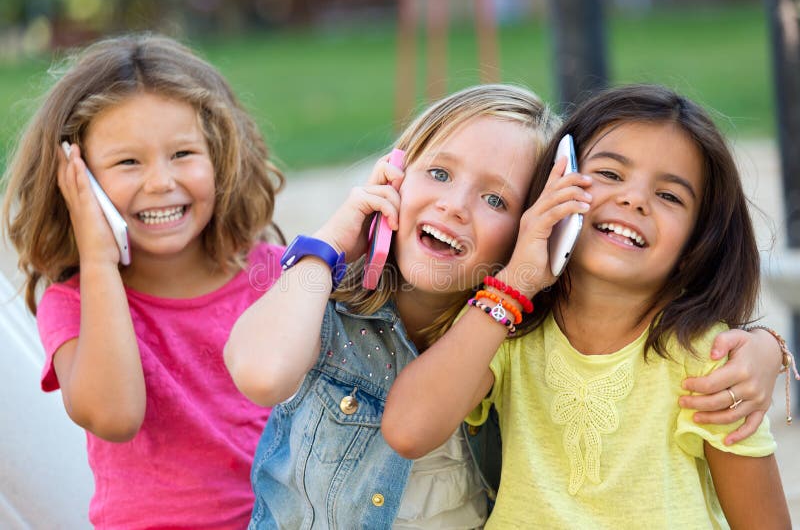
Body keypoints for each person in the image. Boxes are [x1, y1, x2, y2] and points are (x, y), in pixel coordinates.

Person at [224, 83, 784, 529]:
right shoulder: (342, 306)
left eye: (496, 199)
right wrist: (331, 240)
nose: (456, 205)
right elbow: (267, 373)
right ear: (395, 172)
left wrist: (764, 347)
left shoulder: (513, 326)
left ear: (538, 224)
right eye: (438, 173)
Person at [1, 34, 285, 529]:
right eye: (128, 162)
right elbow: (115, 416)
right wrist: (97, 259)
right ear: (77, 180)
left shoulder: (274, 276)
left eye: (182, 154)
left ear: (220, 156)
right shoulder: (74, 304)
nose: (160, 182)